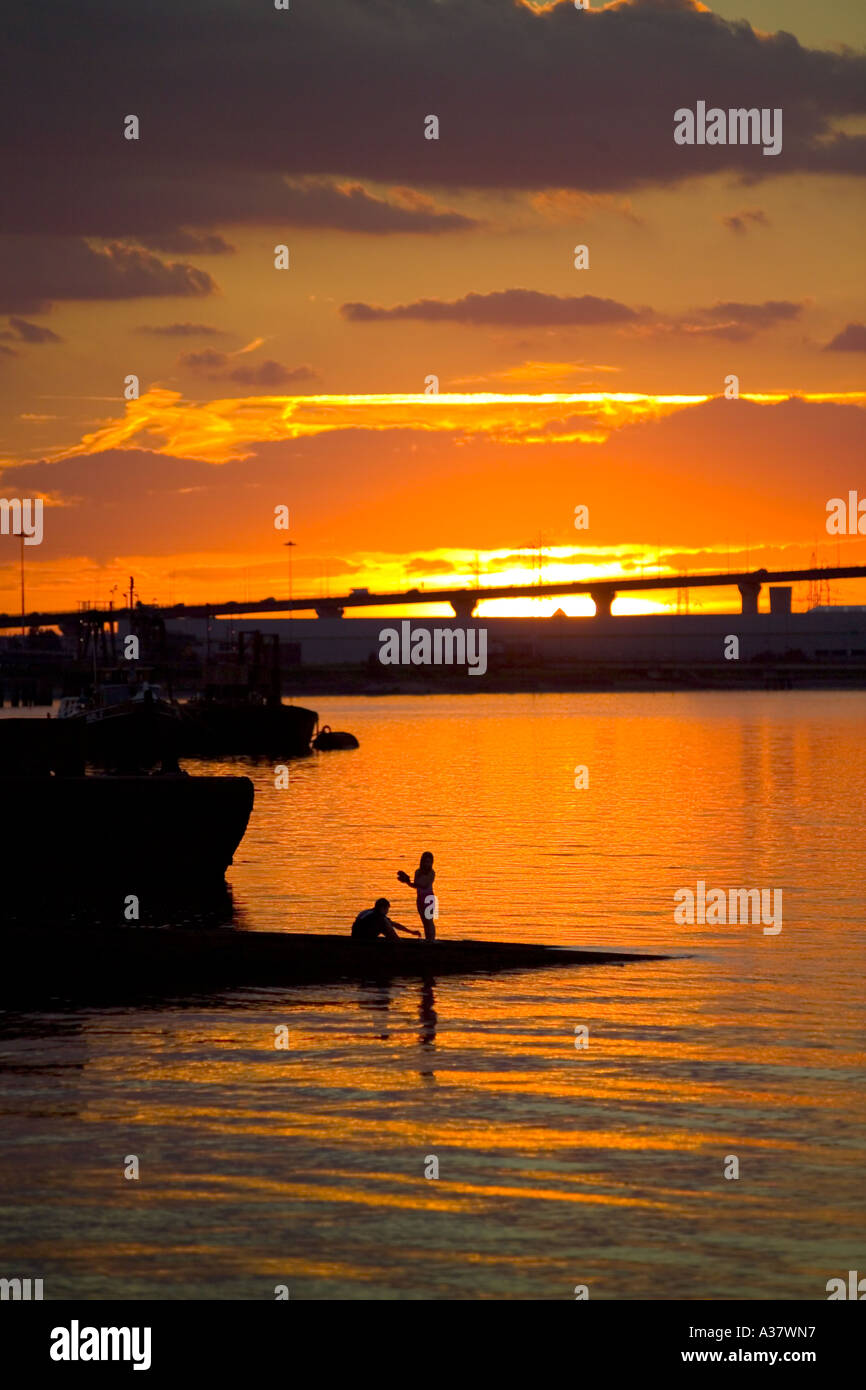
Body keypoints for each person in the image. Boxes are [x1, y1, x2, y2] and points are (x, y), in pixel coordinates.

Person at [397, 851, 437, 942]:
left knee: (429, 920)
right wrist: (407, 882)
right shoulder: (417, 872)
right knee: (424, 921)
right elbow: (415, 886)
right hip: (420, 898)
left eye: (429, 862)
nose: (427, 864)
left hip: (429, 898)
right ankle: (428, 940)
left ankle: (432, 940)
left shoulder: (432, 873)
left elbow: (424, 885)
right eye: (425, 861)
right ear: (422, 861)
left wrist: (409, 881)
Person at [351, 897, 420, 942]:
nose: (387, 911)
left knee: (385, 923)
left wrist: (411, 932)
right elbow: (392, 925)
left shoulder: (365, 912)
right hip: (363, 938)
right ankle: (398, 942)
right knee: (385, 924)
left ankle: (398, 941)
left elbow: (394, 924)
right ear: (383, 908)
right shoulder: (379, 917)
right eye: (387, 909)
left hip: (356, 937)